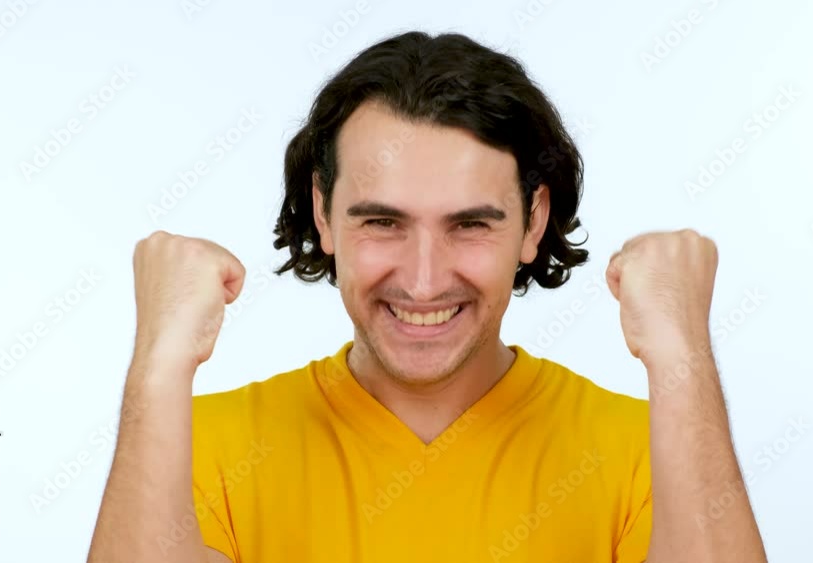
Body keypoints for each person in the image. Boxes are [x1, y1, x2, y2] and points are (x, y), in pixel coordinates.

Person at [87, 31, 767, 563]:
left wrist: (681, 351)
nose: (422, 279)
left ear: (533, 221)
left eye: (470, 225)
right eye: (383, 222)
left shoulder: (650, 450)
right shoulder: (198, 446)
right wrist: (159, 364)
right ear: (323, 213)